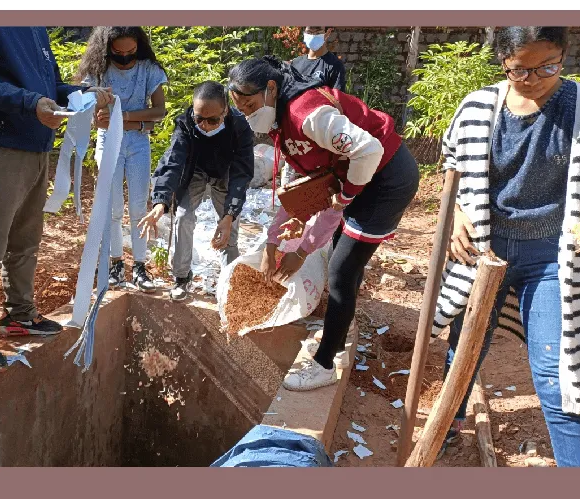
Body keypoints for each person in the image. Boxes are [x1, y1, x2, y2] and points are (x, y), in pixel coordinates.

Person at [434, 26, 580, 467]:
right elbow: (452, 161)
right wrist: (459, 213)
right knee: (465, 348)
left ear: (564, 55)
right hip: (485, 250)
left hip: (552, 256)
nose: (535, 79)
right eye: (521, 70)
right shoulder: (479, 107)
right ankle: (447, 426)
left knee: (557, 371)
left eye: (548, 66)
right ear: (503, 61)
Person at [228, 57, 420, 392]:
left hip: (384, 178)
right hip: (356, 178)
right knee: (343, 260)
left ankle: (324, 364)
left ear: (271, 89)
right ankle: (339, 338)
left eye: (250, 104)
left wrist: (302, 252)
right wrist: (273, 244)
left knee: (342, 270)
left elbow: (368, 151)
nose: (247, 113)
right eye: (241, 108)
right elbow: (308, 191)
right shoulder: (281, 119)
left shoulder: (307, 113)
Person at [0, 27, 114, 372]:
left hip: (35, 146)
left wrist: (82, 94)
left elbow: (48, 89)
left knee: (25, 241)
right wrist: (30, 103)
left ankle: (20, 316)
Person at [138, 81, 254, 301]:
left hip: (226, 173)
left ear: (226, 110)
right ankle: (182, 278)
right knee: (183, 217)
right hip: (196, 172)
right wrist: (160, 202)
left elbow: (242, 173)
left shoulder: (240, 127)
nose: (206, 126)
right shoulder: (185, 124)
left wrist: (230, 214)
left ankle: (230, 281)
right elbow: (173, 161)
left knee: (230, 227)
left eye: (213, 120)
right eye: (200, 119)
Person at [79, 27, 167, 292]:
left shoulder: (149, 69)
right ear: (107, 48)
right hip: (109, 143)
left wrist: (123, 116)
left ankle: (140, 266)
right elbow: (85, 104)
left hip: (139, 143)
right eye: (119, 53)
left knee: (140, 208)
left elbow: (159, 110)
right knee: (113, 208)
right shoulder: (98, 69)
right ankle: (116, 263)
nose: (126, 58)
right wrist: (95, 112)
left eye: (131, 52)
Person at [292, 28, 347, 92]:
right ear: (304, 33)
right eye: (309, 32)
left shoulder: (335, 65)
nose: (313, 36)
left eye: (318, 32)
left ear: (327, 33)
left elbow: (337, 99)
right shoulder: (295, 63)